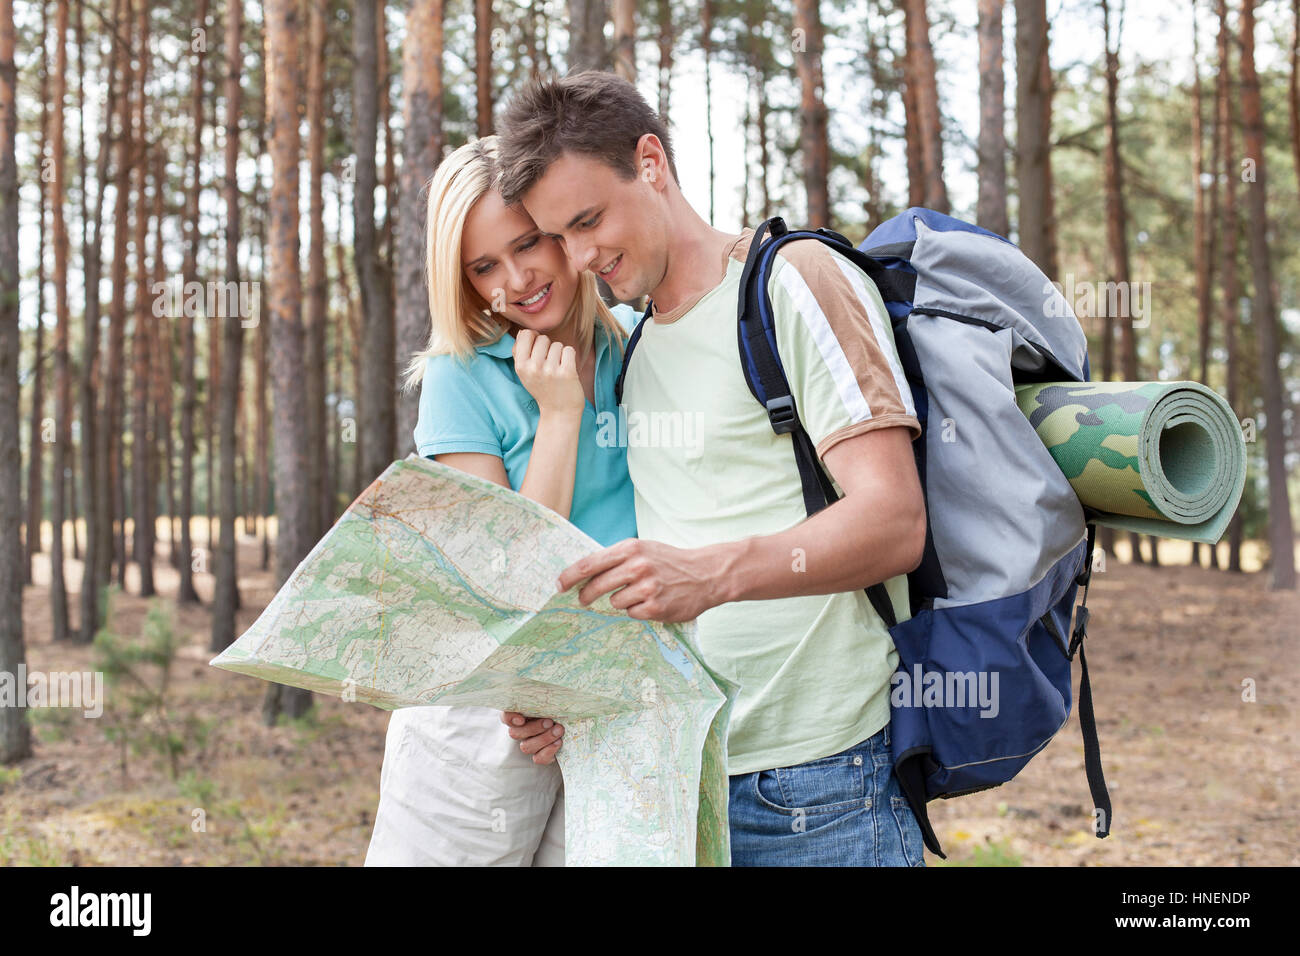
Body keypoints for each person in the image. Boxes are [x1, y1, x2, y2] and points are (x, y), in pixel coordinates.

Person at [495, 72, 930, 866]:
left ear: (651, 162)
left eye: (589, 219)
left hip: (824, 785)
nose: (581, 256)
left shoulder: (792, 282)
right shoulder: (632, 347)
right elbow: (661, 574)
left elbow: (894, 520)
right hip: (677, 778)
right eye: (561, 236)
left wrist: (714, 575)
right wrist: (573, 700)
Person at [364, 136, 639, 867]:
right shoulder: (459, 376)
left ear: (562, 230)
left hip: (603, 701)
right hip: (480, 708)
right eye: (484, 266)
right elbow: (510, 574)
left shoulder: (640, 347)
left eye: (527, 245)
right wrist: (558, 416)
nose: (516, 280)